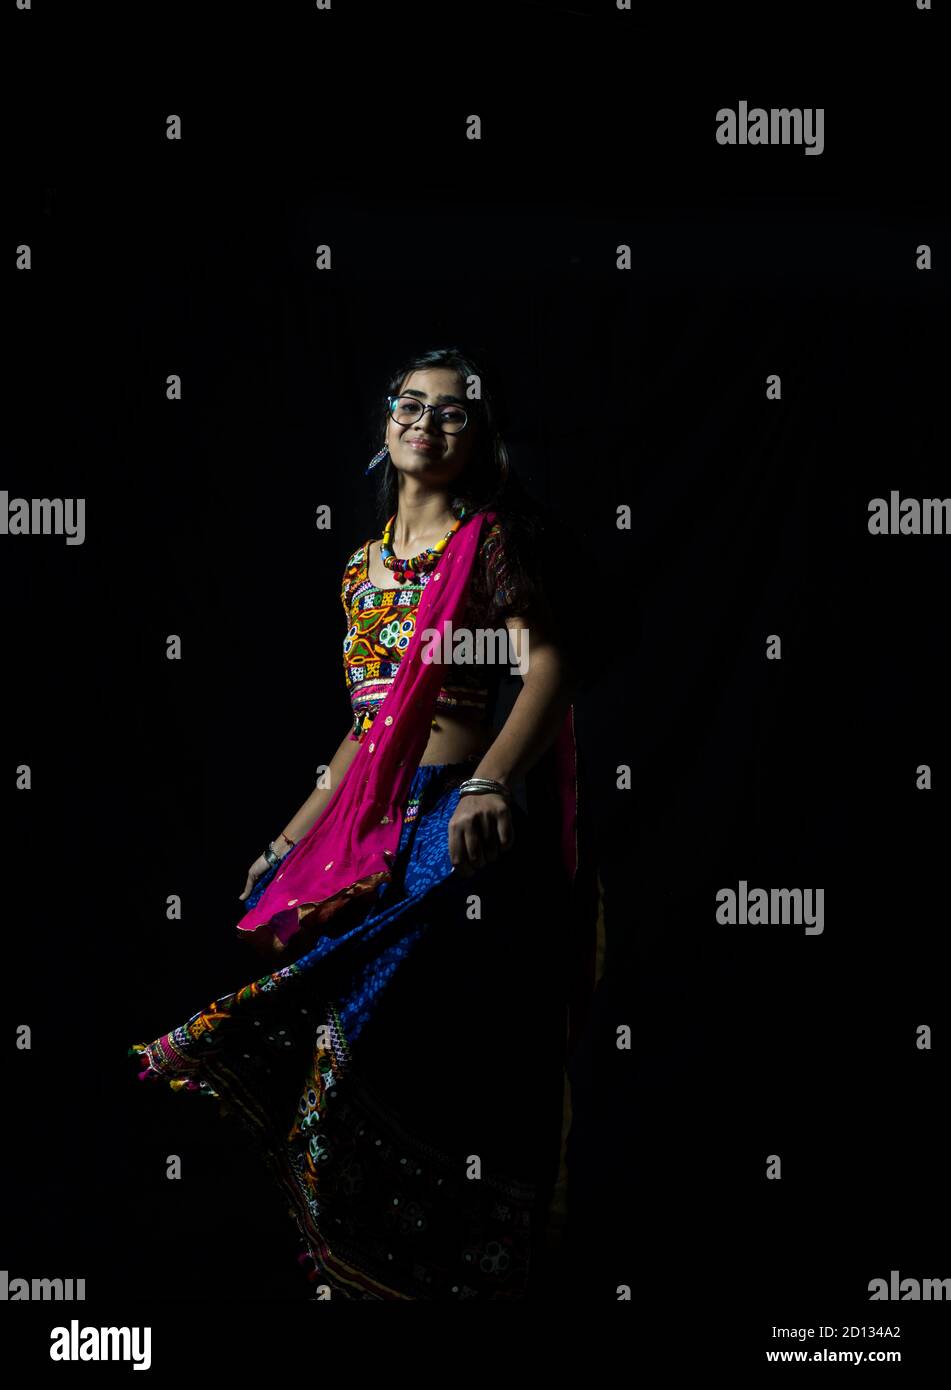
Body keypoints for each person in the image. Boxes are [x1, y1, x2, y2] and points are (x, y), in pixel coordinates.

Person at [129, 346, 600, 1300]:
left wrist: (490, 787)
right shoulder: (360, 566)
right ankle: (362, 1266)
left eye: (454, 412)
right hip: (374, 820)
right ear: (386, 423)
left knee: (395, 1034)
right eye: (410, 405)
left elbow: (547, 669)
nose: (427, 422)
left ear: (481, 437)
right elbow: (367, 725)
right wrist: (289, 837)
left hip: (457, 816)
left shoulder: (493, 541)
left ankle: (454, 1262)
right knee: (339, 1047)